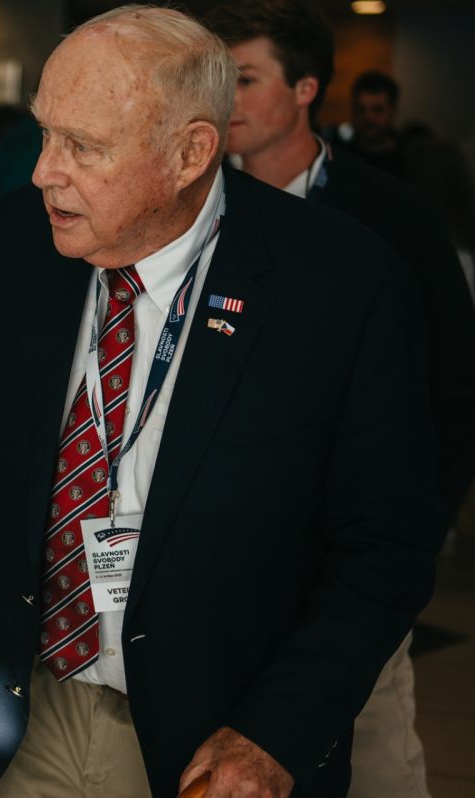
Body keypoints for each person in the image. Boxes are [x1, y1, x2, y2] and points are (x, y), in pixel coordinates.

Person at [0, 5, 445, 796]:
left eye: (82, 147)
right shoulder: (15, 241)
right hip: (27, 710)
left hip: (216, 734)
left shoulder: (340, 286)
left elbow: (387, 549)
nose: (43, 171)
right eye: (45, 133)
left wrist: (277, 732)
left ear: (190, 152)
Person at [205, 5, 475, 791]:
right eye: (217, 80)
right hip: (232, 550)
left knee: (374, 742)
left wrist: (412, 530)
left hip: (354, 546)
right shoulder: (196, 207)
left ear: (305, 89)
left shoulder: (393, 215)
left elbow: (454, 387)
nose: (224, 100)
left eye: (244, 79)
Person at [345, 70, 406, 178]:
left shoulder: (407, 159)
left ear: (393, 111)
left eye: (377, 110)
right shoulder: (342, 156)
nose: (368, 117)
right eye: (360, 109)